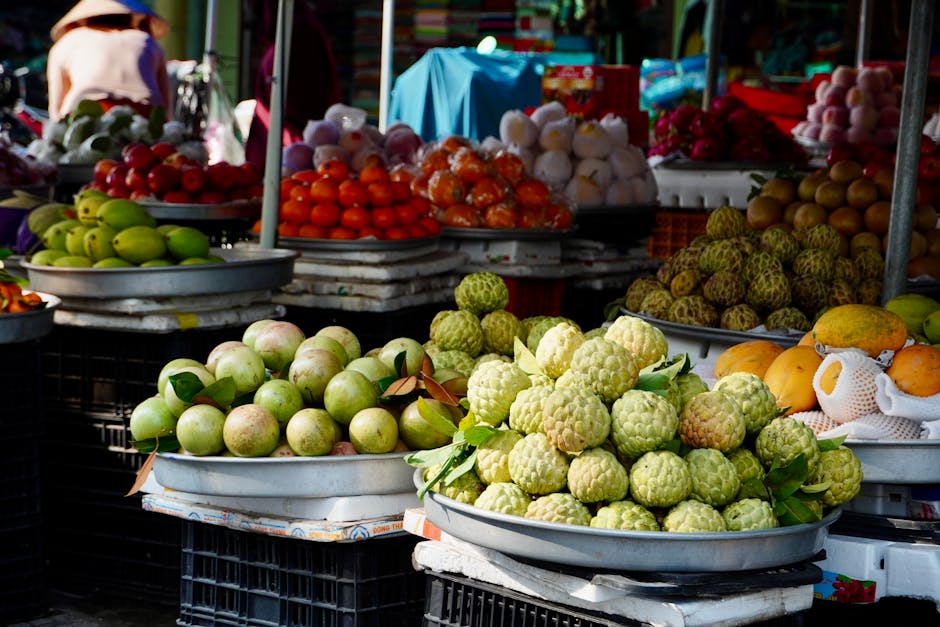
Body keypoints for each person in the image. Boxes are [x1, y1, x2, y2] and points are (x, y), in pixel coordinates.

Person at [244, 0, 342, 171]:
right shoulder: (283, 34)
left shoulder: (298, 32)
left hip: (293, 158)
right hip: (279, 155)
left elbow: (304, 103)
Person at [46, 0, 171, 121]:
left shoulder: (68, 41)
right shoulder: (147, 41)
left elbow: (56, 110)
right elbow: (166, 106)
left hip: (84, 118)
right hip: (143, 121)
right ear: (130, 16)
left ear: (86, 17)